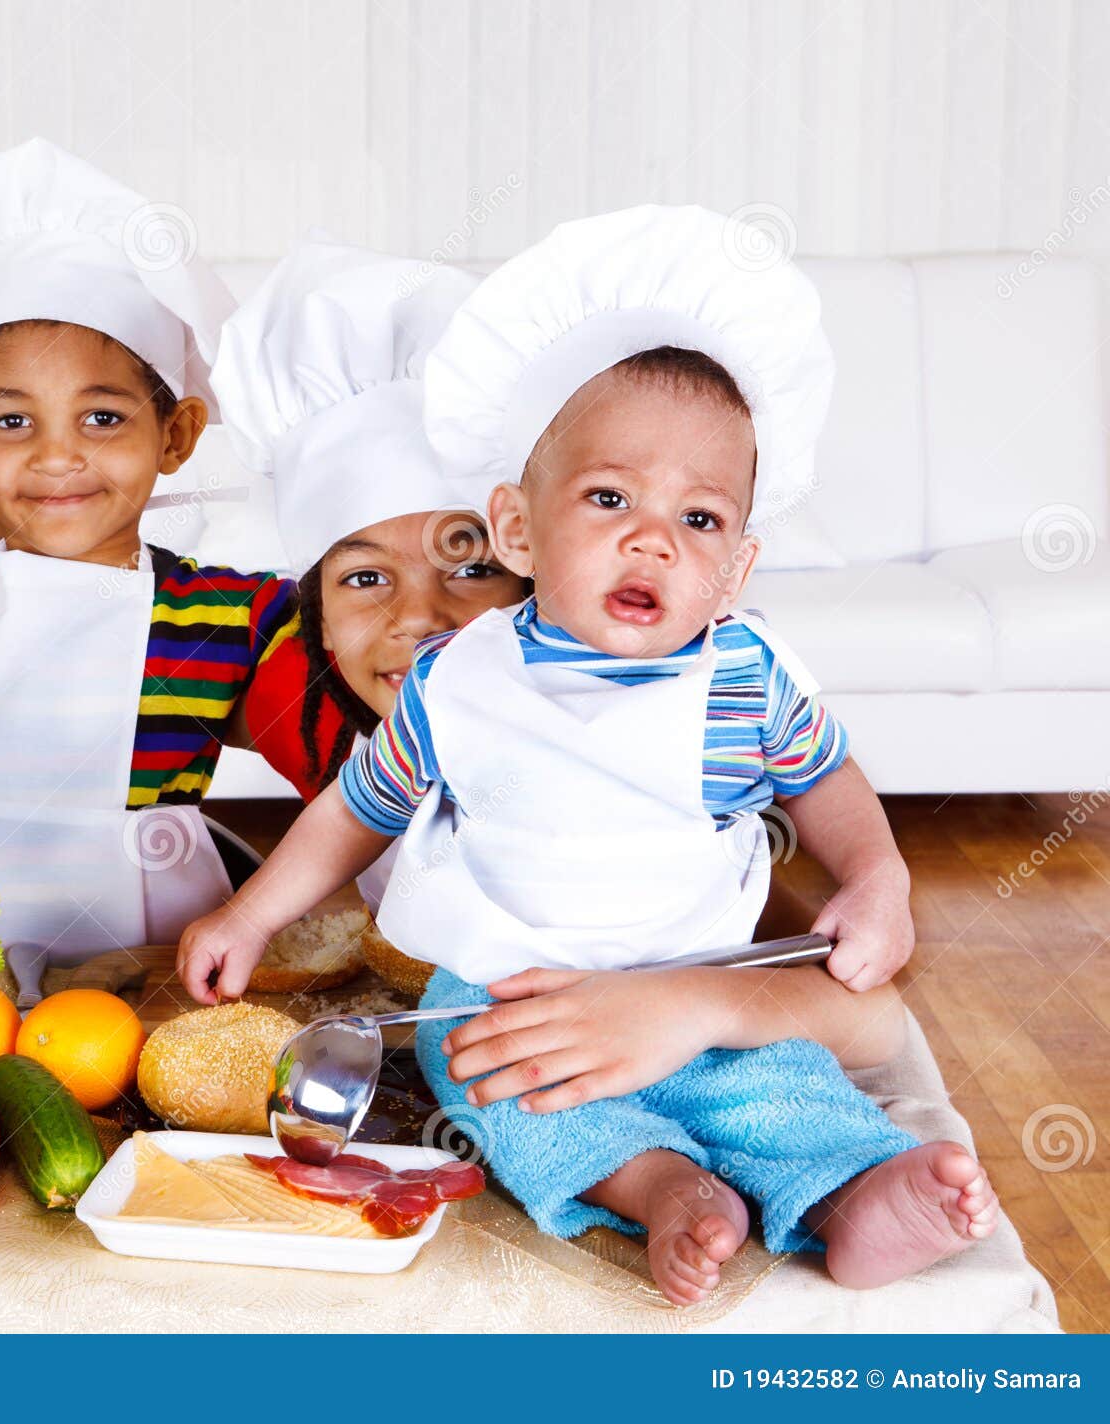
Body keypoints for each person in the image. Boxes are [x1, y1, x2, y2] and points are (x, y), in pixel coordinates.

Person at [177, 206, 997, 1303]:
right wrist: (249, 913)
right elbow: (352, 808)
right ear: (516, 529)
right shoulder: (458, 677)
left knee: (784, 1092)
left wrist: (875, 873)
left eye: (699, 518)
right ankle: (660, 1188)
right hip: (524, 995)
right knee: (483, 1071)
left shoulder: (740, 678)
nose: (652, 536)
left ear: (738, 566)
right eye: (609, 497)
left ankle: (856, 1197)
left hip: (704, 985)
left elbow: (827, 780)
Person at [0, 139, 294, 962]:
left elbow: (363, 746)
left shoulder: (234, 616)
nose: (56, 457)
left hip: (167, 978)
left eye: (102, 418)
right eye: (11, 421)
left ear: (177, 434)